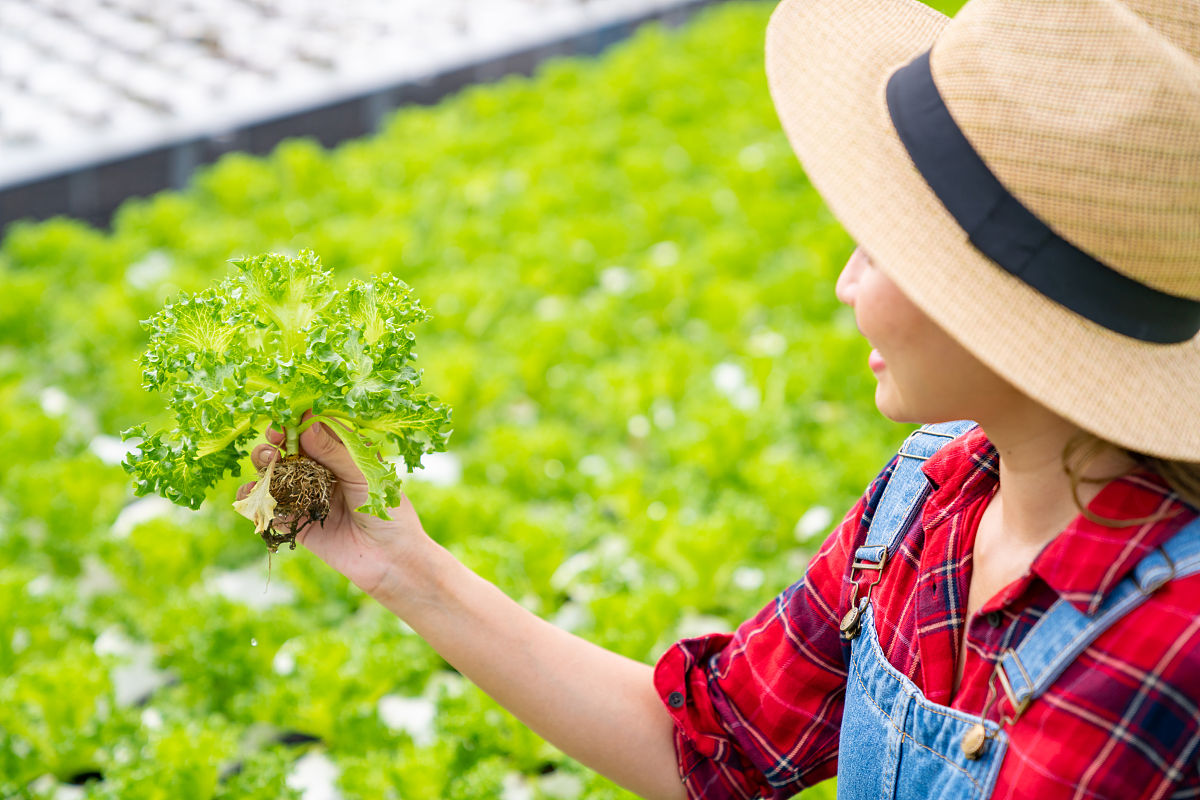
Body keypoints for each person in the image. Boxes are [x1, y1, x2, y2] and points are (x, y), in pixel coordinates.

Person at [238, 0, 1200, 797]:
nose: (844, 282)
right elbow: (714, 745)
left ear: (1000, 307)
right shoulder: (934, 494)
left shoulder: (1163, 637)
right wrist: (398, 565)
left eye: (883, 245)